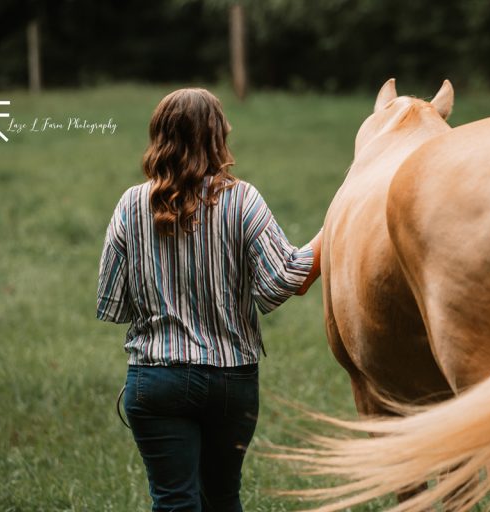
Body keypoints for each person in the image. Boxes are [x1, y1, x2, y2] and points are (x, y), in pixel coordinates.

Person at [96, 88, 322, 511]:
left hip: (154, 381)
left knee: (174, 501)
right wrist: (335, 229)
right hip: (229, 381)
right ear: (218, 136)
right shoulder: (243, 200)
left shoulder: (129, 205)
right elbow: (283, 281)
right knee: (222, 499)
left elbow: (114, 301)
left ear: (159, 137)